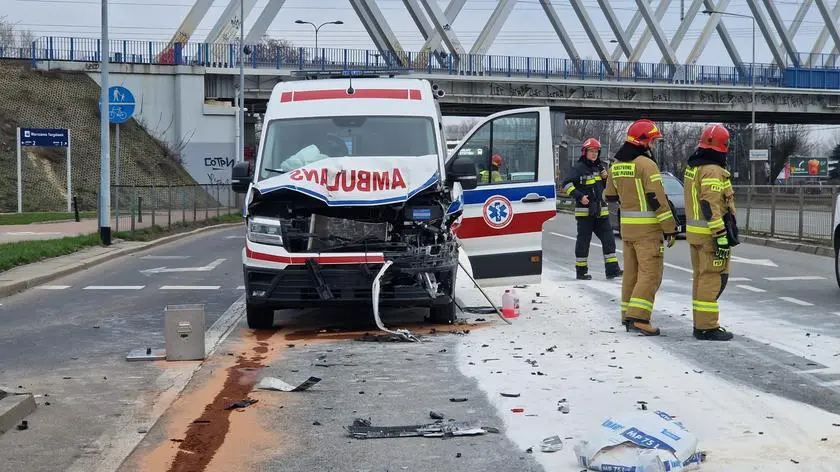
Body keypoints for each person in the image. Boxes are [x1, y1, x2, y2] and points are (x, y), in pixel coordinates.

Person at [604, 119, 677, 336]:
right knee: (650, 274)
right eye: (652, 141)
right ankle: (639, 318)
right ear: (643, 142)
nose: (653, 146)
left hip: (627, 230)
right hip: (648, 231)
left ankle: (627, 314)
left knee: (631, 275)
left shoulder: (616, 166)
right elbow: (658, 200)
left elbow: (608, 196)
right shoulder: (647, 165)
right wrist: (670, 228)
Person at [683, 123, 737, 341]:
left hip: (696, 234)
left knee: (700, 278)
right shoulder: (712, 170)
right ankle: (707, 327)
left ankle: (700, 323)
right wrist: (721, 235)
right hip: (710, 236)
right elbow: (710, 205)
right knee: (712, 279)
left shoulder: (694, 167)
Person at [561, 138, 623, 280]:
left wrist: (606, 178)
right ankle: (581, 271)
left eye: (596, 151)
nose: (594, 154)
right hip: (585, 213)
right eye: (591, 151)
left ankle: (612, 270)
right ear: (585, 152)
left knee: (609, 241)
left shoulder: (600, 168)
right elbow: (566, 184)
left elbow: (607, 188)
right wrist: (579, 196)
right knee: (583, 243)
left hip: (601, 212)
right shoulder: (578, 168)